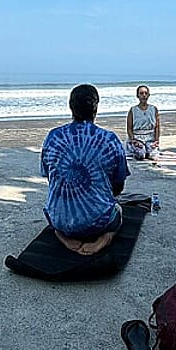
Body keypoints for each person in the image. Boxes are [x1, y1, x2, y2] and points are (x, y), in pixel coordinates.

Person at [41, 84, 130, 255]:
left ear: (70, 106)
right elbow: (119, 186)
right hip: (97, 223)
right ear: (96, 107)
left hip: (58, 220)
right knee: (117, 211)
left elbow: (51, 179)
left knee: (54, 214)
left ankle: (62, 236)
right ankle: (105, 238)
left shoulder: (53, 137)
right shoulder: (109, 139)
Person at [125, 84, 162, 161]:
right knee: (141, 155)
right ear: (137, 96)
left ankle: (149, 150)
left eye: (146, 93)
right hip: (137, 138)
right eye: (141, 93)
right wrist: (133, 140)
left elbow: (157, 127)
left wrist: (156, 140)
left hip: (150, 138)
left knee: (153, 156)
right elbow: (129, 129)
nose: (144, 95)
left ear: (148, 95)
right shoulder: (133, 110)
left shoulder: (154, 109)